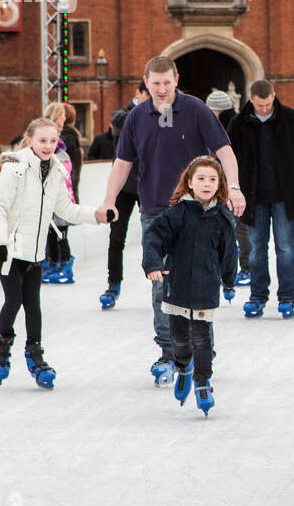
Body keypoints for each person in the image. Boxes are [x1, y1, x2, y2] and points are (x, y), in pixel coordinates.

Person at [96, 56, 245, 383]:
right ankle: (168, 350)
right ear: (146, 82)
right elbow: (122, 163)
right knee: (160, 283)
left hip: (197, 210)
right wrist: (109, 199)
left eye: (167, 82)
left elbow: (225, 151)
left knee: (198, 281)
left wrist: (232, 187)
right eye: (155, 83)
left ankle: (202, 348)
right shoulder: (136, 117)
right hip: (155, 211)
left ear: (176, 79)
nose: (162, 89)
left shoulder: (196, 110)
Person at [0, 118, 105, 387]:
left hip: (35, 250)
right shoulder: (14, 169)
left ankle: (35, 356)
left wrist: (95, 215)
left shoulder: (56, 172)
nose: (48, 146)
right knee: (14, 300)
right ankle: (2, 348)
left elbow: (66, 209)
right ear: (29, 141)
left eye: (53, 141)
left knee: (34, 306)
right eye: (42, 140)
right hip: (9, 249)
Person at [141, 155, 238, 416]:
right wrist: (152, 264)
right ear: (190, 182)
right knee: (180, 339)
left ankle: (203, 382)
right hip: (178, 286)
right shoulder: (177, 214)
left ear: (220, 185)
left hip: (206, 287)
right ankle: (184, 366)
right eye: (201, 178)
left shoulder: (222, 217)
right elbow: (153, 238)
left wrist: (229, 280)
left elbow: (229, 252)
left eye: (213, 179)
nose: (207, 184)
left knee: (202, 337)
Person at [225, 79, 294, 320]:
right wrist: (227, 188)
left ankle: (287, 297)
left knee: (285, 249)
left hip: (285, 195)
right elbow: (225, 155)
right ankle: (258, 296)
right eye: (260, 105)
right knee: (256, 250)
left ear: (274, 97)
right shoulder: (238, 124)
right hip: (253, 197)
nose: (264, 109)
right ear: (251, 100)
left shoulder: (289, 118)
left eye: (268, 104)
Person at [88, 109, 139, 309]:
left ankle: (163, 282)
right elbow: (117, 119)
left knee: (157, 236)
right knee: (116, 238)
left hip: (146, 185)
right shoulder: (124, 118)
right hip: (123, 189)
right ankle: (113, 283)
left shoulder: (154, 118)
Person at [206, 90, 252, 286]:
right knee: (237, 227)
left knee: (231, 227)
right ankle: (243, 268)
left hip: (228, 184)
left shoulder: (225, 127)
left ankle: (240, 269)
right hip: (233, 183)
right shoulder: (240, 124)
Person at [41, 102, 78, 283]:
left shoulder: (64, 145)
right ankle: (54, 262)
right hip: (51, 193)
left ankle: (64, 263)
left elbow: (71, 168)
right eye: (62, 115)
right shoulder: (48, 138)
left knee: (60, 230)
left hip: (62, 192)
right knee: (51, 230)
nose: (65, 118)